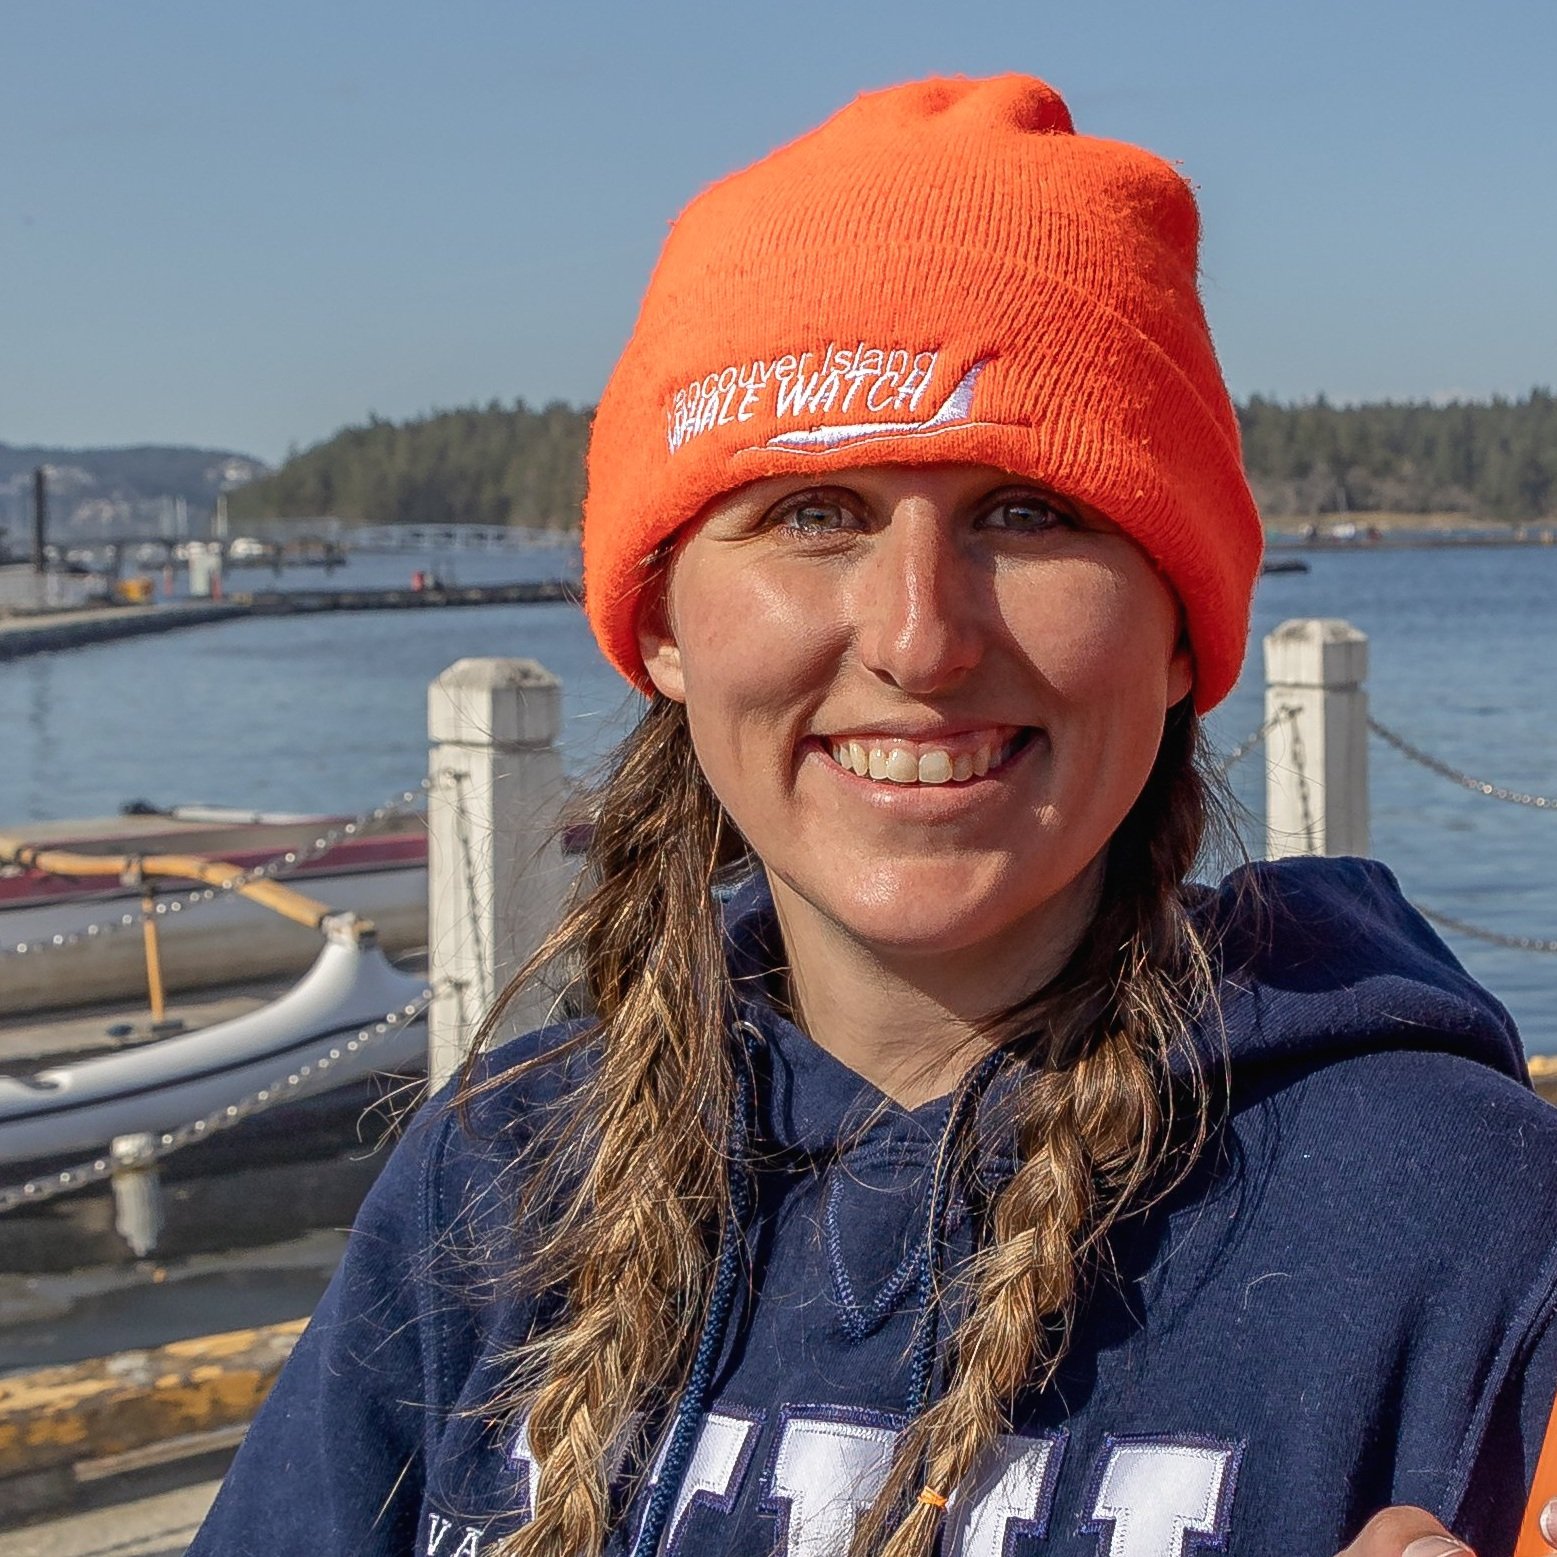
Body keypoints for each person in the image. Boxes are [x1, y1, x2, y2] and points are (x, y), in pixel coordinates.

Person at [190, 75, 1557, 1557]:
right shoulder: (496, 1178)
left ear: (1177, 631)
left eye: (1026, 513)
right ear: (660, 622)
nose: (918, 637)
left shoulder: (1449, 1217)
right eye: (812, 512)